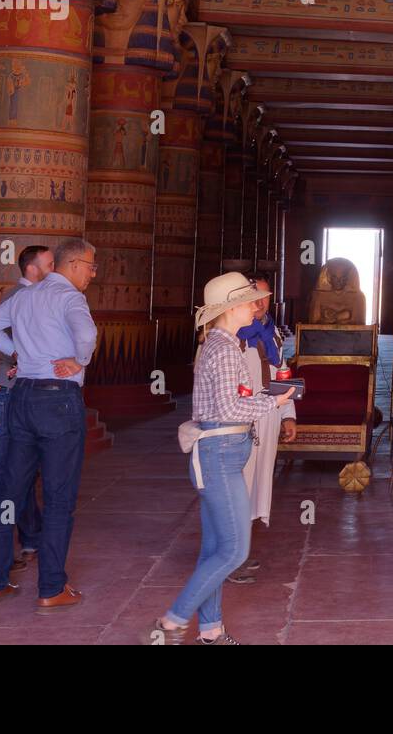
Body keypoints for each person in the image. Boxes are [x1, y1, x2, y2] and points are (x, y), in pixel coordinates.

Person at [152, 273, 294, 644]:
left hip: (220, 450)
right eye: (250, 300)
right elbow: (232, 407)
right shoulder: (225, 348)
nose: (256, 305)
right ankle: (173, 620)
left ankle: (211, 630)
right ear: (231, 308)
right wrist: (274, 402)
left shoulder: (220, 343)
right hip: (220, 452)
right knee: (234, 550)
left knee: (215, 548)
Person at [0, 238, 100, 612]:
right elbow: (87, 335)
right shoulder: (70, 298)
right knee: (59, 498)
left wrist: (19, 353)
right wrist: (80, 360)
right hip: (57, 400)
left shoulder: (25, 296)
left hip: (22, 396)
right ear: (74, 265)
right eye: (91, 266)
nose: (92, 274)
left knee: (10, 494)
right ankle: (51, 587)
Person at [0, 244, 50, 570]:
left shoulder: (34, 296)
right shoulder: (18, 297)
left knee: (23, 471)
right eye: (49, 263)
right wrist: (21, 353)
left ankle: (32, 538)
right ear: (32, 268)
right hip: (8, 393)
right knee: (3, 475)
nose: (54, 268)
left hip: (15, 393)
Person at [228, 279, 296, 585]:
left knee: (255, 487)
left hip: (267, 418)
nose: (261, 302)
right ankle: (228, 560)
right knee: (236, 489)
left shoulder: (272, 333)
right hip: (239, 420)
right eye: (256, 296)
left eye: (266, 297)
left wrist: (288, 415)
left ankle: (240, 553)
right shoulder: (229, 336)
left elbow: (282, 374)